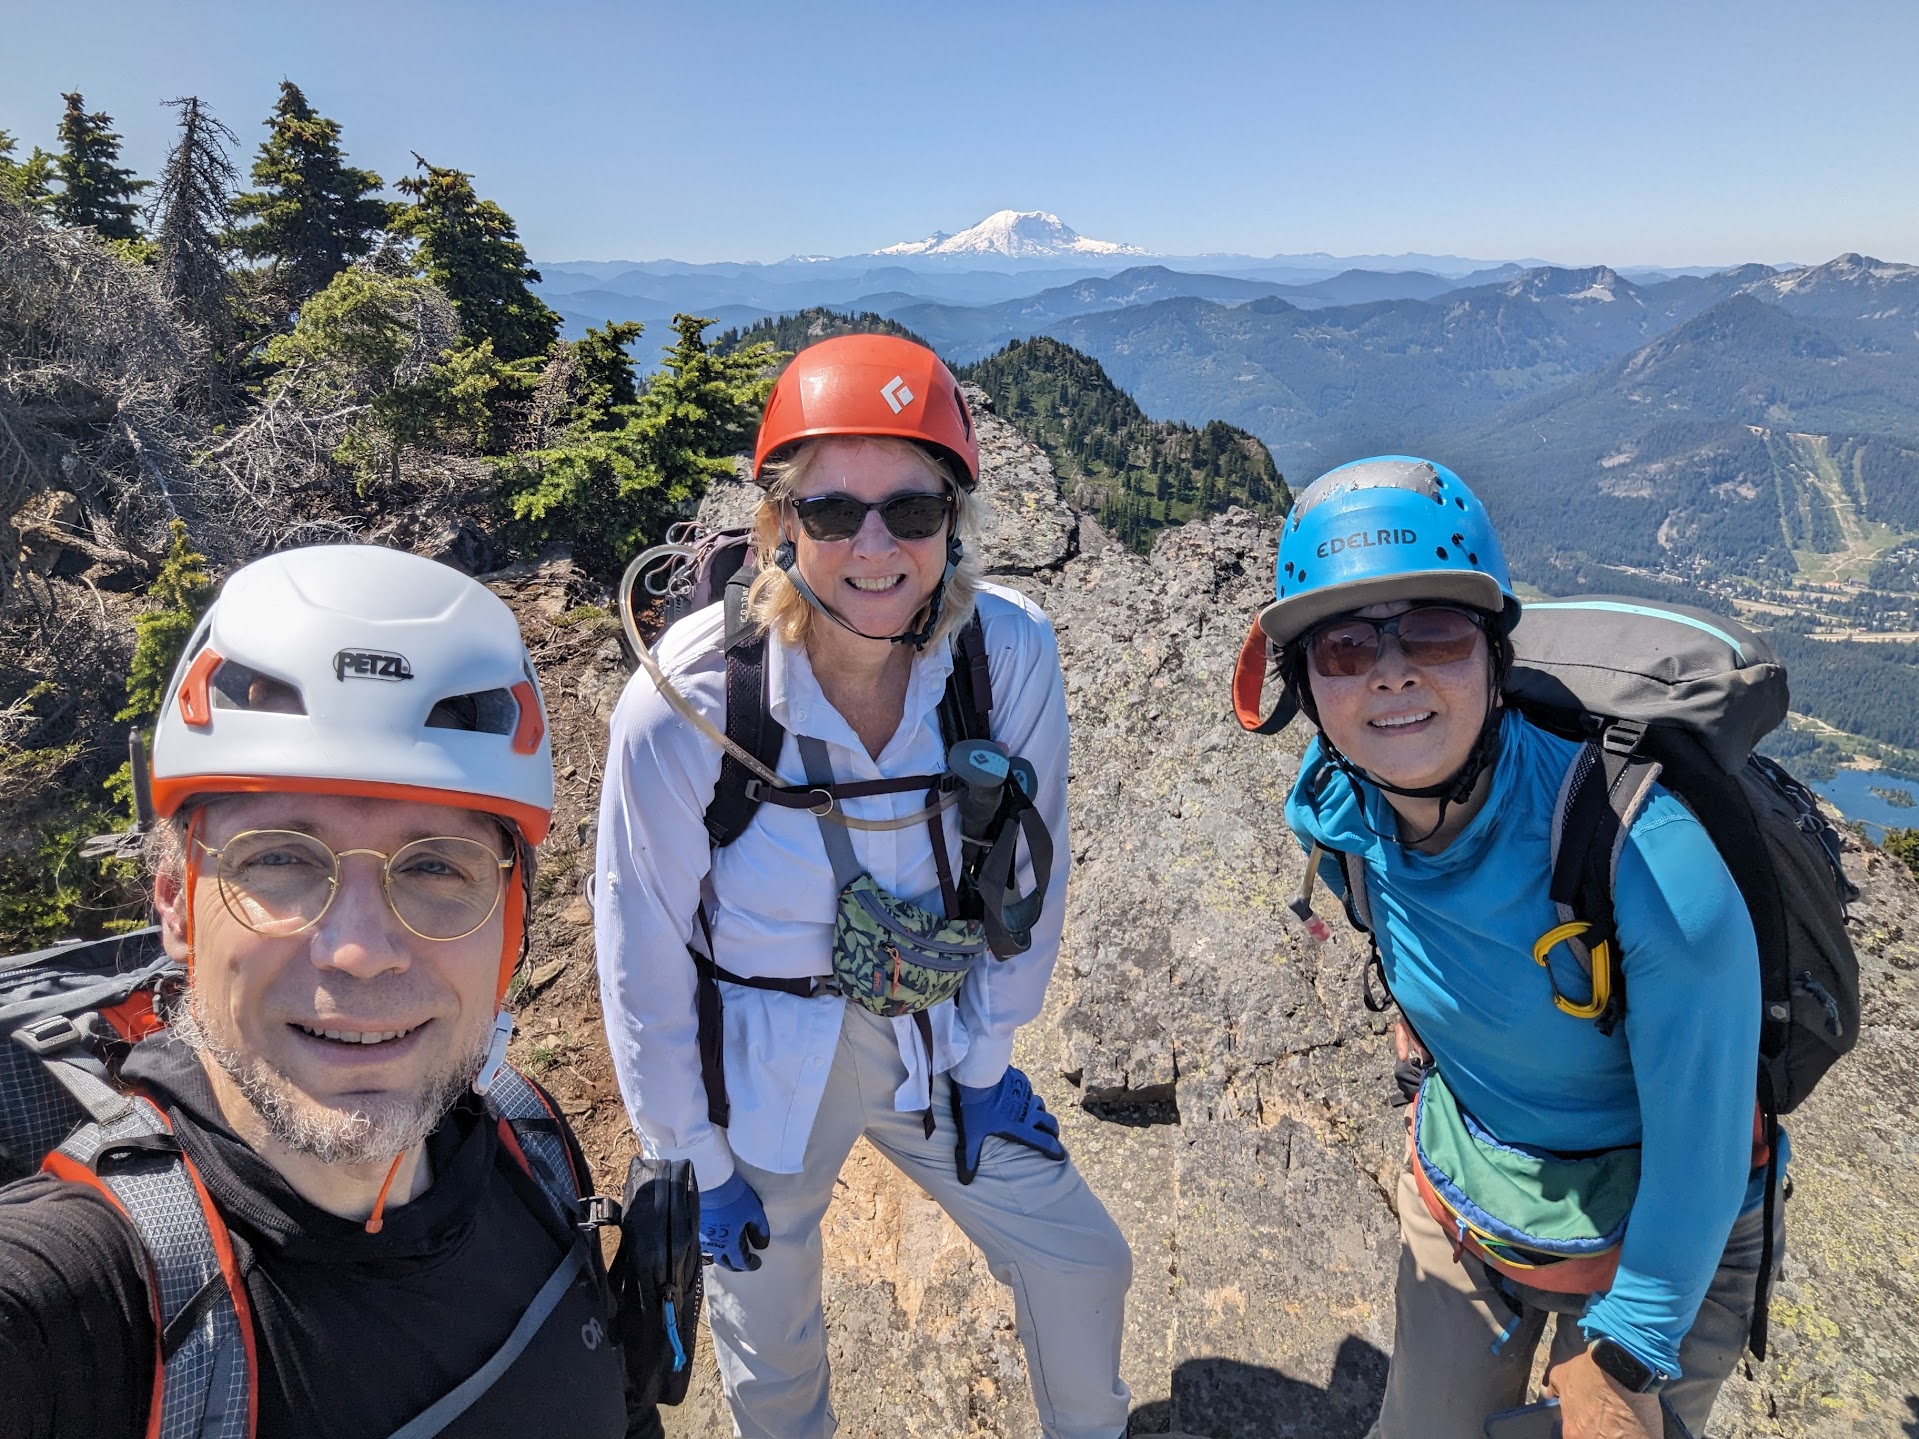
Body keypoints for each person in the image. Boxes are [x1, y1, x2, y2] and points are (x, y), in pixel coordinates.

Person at [595, 333, 1133, 1439]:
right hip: (757, 1049)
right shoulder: (688, 700)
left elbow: (1029, 864)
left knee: (1082, 1257)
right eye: (833, 513)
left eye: (914, 511)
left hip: (931, 1026)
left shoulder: (1006, 653)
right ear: (779, 525)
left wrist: (987, 1058)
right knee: (771, 1341)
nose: (875, 546)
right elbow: (637, 942)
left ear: (955, 520)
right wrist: (689, 1153)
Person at [0, 545, 657, 1438]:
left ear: (511, 924)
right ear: (177, 907)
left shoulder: (528, 1144)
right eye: (279, 859)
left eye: (434, 866)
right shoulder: (84, 1299)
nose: (358, 951)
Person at [1261, 458, 1776, 1439]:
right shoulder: (1333, 810)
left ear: (1494, 654)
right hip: (1472, 1183)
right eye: (1341, 647)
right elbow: (1397, 924)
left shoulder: (1646, 857)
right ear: (1303, 684)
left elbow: (1700, 1144)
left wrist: (1624, 1350)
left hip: (1661, 1225)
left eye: (1433, 630)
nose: (1391, 669)